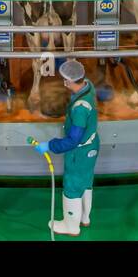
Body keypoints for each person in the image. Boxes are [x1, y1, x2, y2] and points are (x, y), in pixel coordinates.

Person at [34, 58, 99, 235]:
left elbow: (73, 140)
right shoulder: (88, 86)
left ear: (70, 81)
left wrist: (49, 145)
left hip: (79, 152)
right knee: (86, 181)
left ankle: (71, 226)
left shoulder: (79, 108)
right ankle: (85, 218)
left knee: (72, 185)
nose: (64, 82)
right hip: (92, 145)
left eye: (65, 80)